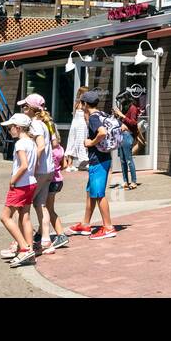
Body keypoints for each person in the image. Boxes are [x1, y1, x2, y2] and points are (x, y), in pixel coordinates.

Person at [68, 90, 118, 239]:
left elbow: (102, 132)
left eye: (81, 103)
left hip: (99, 160)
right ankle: (85, 224)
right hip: (102, 159)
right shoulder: (101, 114)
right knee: (91, 192)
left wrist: (91, 142)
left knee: (99, 195)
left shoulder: (94, 118)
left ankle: (108, 227)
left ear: (84, 104)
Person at [0, 113, 38, 267]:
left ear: (18, 127)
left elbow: (24, 165)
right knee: (25, 216)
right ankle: (30, 249)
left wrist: (13, 180)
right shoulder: (32, 143)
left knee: (5, 217)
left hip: (20, 184)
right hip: (30, 183)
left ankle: (24, 248)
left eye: (10, 128)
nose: (9, 131)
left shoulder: (20, 143)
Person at [20, 96, 56, 254]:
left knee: (23, 206)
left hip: (40, 170)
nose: (23, 109)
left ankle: (22, 242)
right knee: (41, 204)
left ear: (31, 108)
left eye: (25, 106)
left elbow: (40, 146)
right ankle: (46, 240)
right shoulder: (43, 123)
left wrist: (32, 166)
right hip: (48, 169)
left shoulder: (34, 124)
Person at [111, 91, 141, 190]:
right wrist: (117, 115)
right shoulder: (125, 108)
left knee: (129, 159)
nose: (119, 102)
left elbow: (133, 123)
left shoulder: (133, 108)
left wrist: (122, 115)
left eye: (120, 100)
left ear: (125, 99)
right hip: (121, 135)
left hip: (128, 135)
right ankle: (125, 181)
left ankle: (133, 182)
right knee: (122, 160)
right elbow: (123, 122)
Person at [64, 86, 91, 172]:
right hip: (81, 125)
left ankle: (70, 165)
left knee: (72, 142)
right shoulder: (84, 103)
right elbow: (86, 115)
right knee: (83, 142)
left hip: (74, 124)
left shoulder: (76, 103)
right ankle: (84, 163)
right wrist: (89, 123)